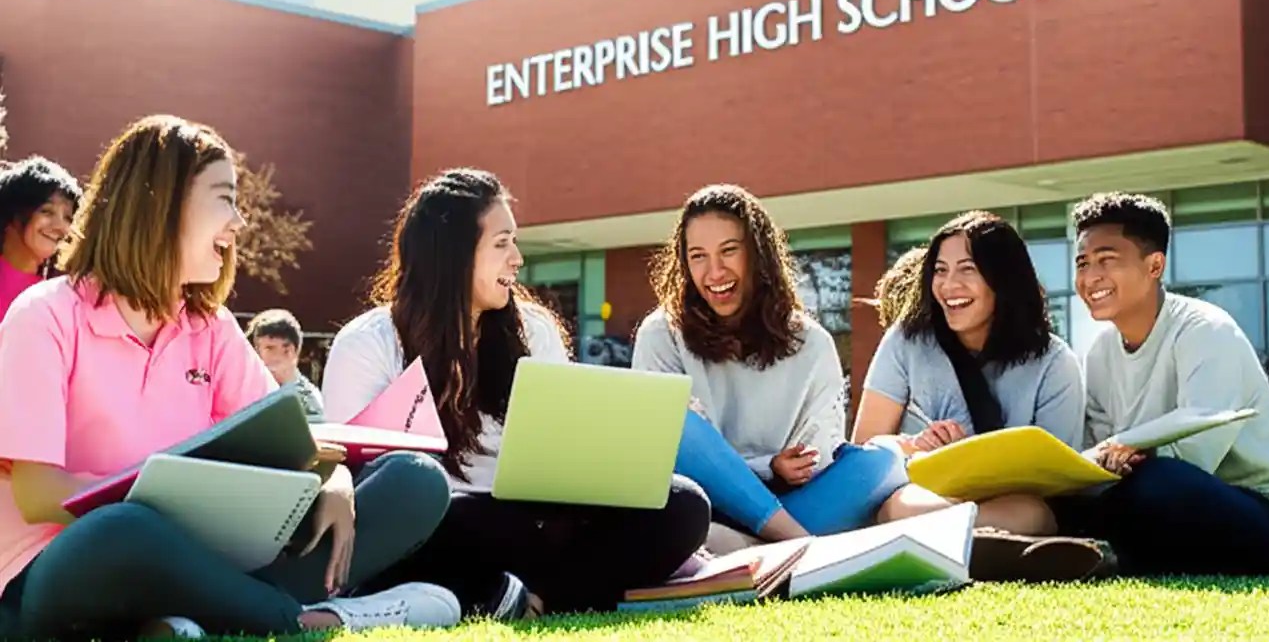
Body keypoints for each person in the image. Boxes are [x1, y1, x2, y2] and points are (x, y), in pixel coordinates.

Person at [0, 115, 459, 640]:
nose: (239, 222)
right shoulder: (45, 315)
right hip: (62, 565)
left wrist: (331, 482)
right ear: (160, 204)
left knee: (415, 479)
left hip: (210, 557)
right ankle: (306, 618)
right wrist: (167, 510)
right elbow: (37, 494)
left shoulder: (210, 327)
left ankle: (185, 619)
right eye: (224, 199)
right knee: (123, 530)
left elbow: (289, 443)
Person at [321, 168, 710, 618]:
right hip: (441, 521)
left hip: (539, 515)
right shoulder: (368, 343)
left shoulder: (535, 330)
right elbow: (356, 478)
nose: (517, 259)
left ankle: (528, 598)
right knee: (450, 522)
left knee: (683, 505)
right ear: (453, 254)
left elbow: (567, 444)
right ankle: (538, 591)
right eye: (502, 243)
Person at [631, 183, 929, 545]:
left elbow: (820, 451)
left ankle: (747, 548)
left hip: (793, 501)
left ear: (758, 254)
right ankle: (794, 543)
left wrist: (788, 471)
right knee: (672, 420)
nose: (714, 272)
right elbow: (668, 448)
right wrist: (767, 467)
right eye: (698, 256)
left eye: (729, 251)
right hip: (702, 502)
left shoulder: (812, 343)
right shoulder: (661, 333)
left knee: (880, 463)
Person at [850, 211, 1110, 581]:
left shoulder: (1055, 362)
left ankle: (960, 545)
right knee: (897, 506)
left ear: (1002, 279)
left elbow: (1059, 480)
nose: (949, 285)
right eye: (940, 270)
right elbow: (863, 448)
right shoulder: (906, 341)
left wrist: (973, 454)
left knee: (1033, 513)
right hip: (921, 495)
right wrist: (914, 446)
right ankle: (986, 547)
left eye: (967, 269)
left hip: (1009, 502)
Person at [1057, 192, 1269, 574]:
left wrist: (1131, 452)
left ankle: (1111, 553)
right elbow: (1098, 446)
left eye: (1107, 261)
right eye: (1083, 263)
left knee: (1159, 482)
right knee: (1062, 497)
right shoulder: (1099, 351)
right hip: (1149, 497)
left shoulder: (1205, 328)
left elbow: (1199, 452)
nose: (1091, 278)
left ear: (1154, 265)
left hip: (1256, 508)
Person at [0, 156, 81, 319]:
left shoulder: (60, 298)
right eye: (46, 211)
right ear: (13, 212)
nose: (60, 227)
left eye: (68, 218)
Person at [247, 308, 325, 421]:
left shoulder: (308, 402)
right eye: (269, 349)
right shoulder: (247, 388)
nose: (277, 356)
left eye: (286, 349)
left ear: (292, 351)